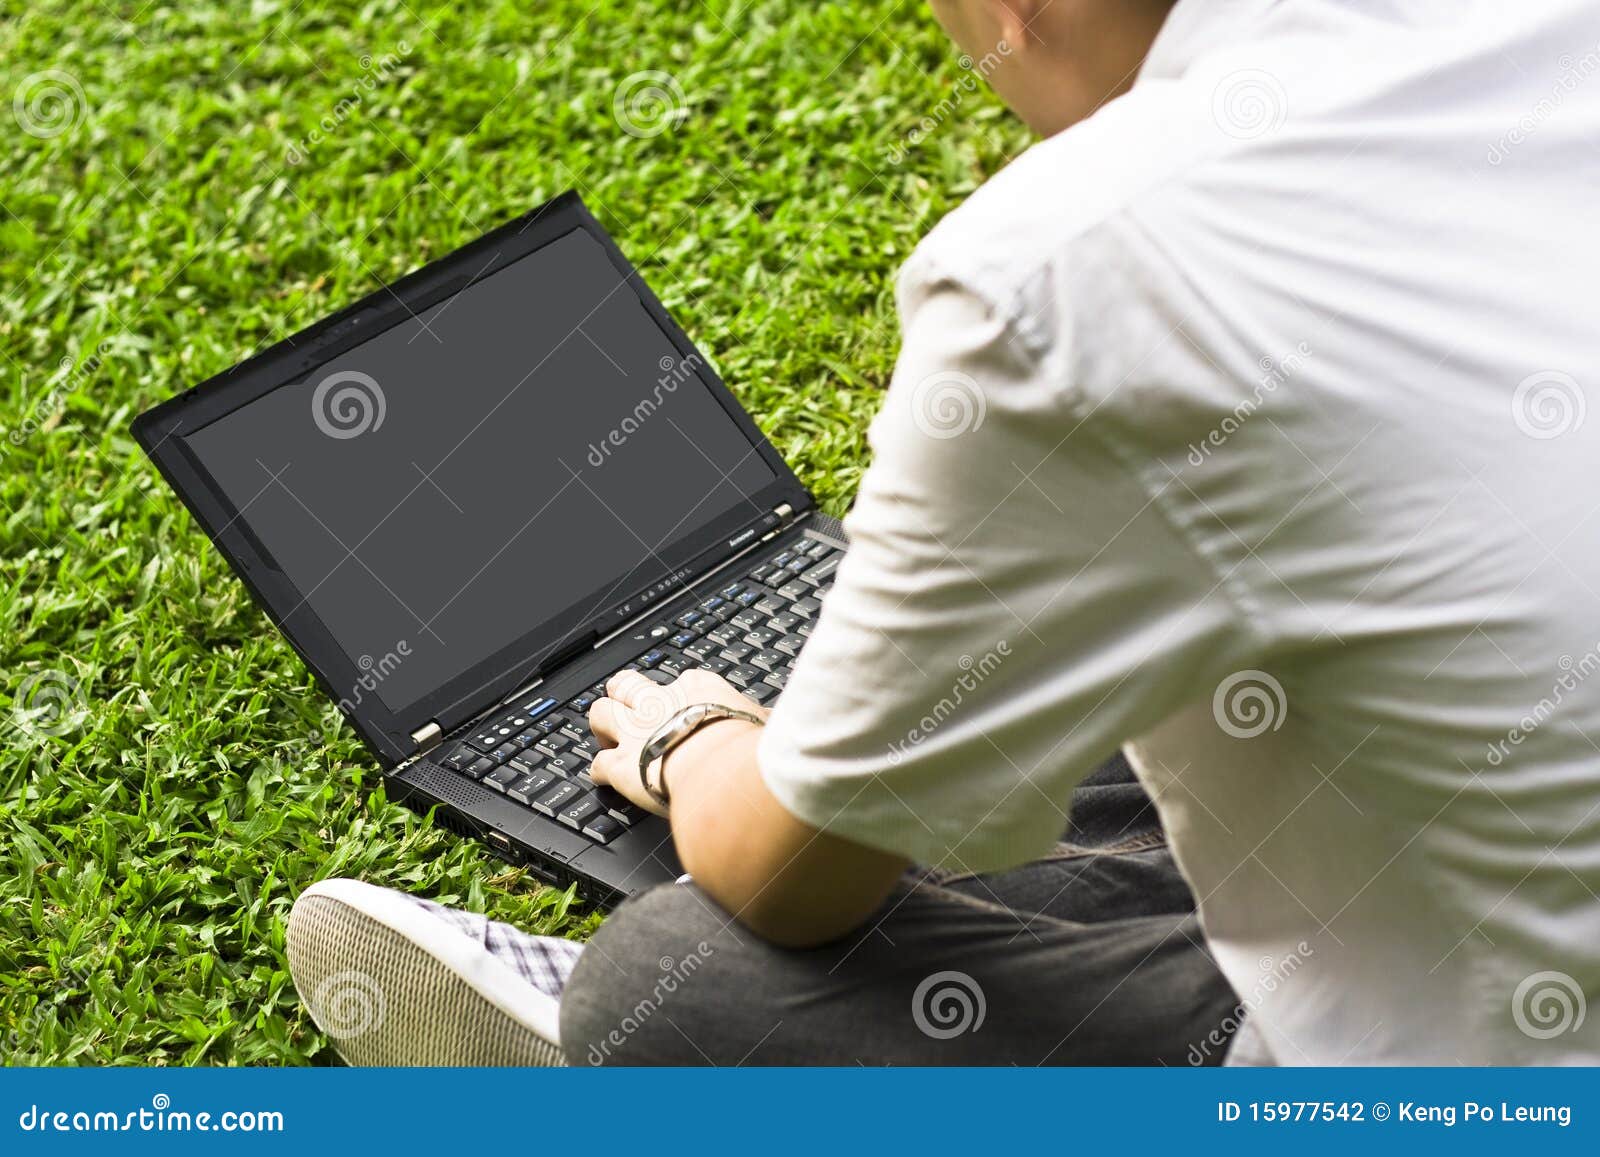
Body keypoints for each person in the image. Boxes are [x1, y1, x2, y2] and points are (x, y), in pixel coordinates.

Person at [288, 0, 1600, 1065]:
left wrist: (701, 741)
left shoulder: (1066, 267)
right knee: (1131, 688)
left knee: (676, 984)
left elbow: (791, 879)